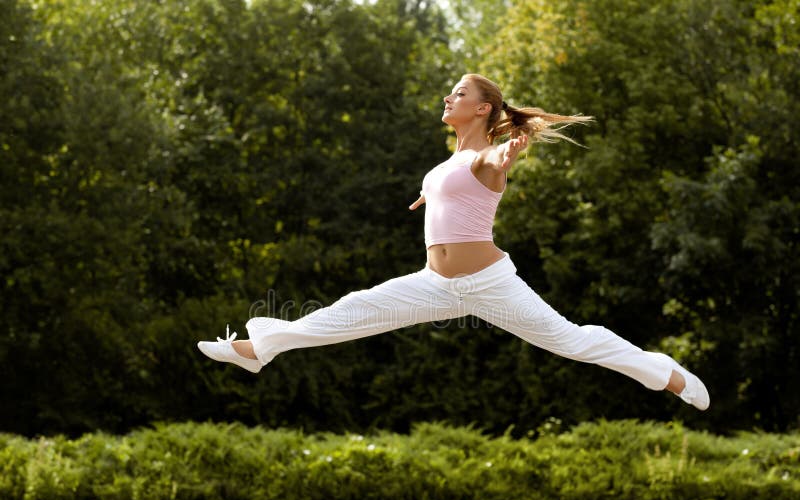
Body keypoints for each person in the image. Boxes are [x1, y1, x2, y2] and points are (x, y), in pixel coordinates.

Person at [198, 74, 709, 411]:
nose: (449, 98)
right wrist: (431, 196)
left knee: (571, 341)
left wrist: (501, 158)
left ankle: (665, 374)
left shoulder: (485, 156)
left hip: (489, 284)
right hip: (434, 286)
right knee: (350, 310)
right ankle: (256, 349)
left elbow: (485, 168)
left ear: (483, 108)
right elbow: (451, 192)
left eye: (459, 94)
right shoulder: (442, 166)